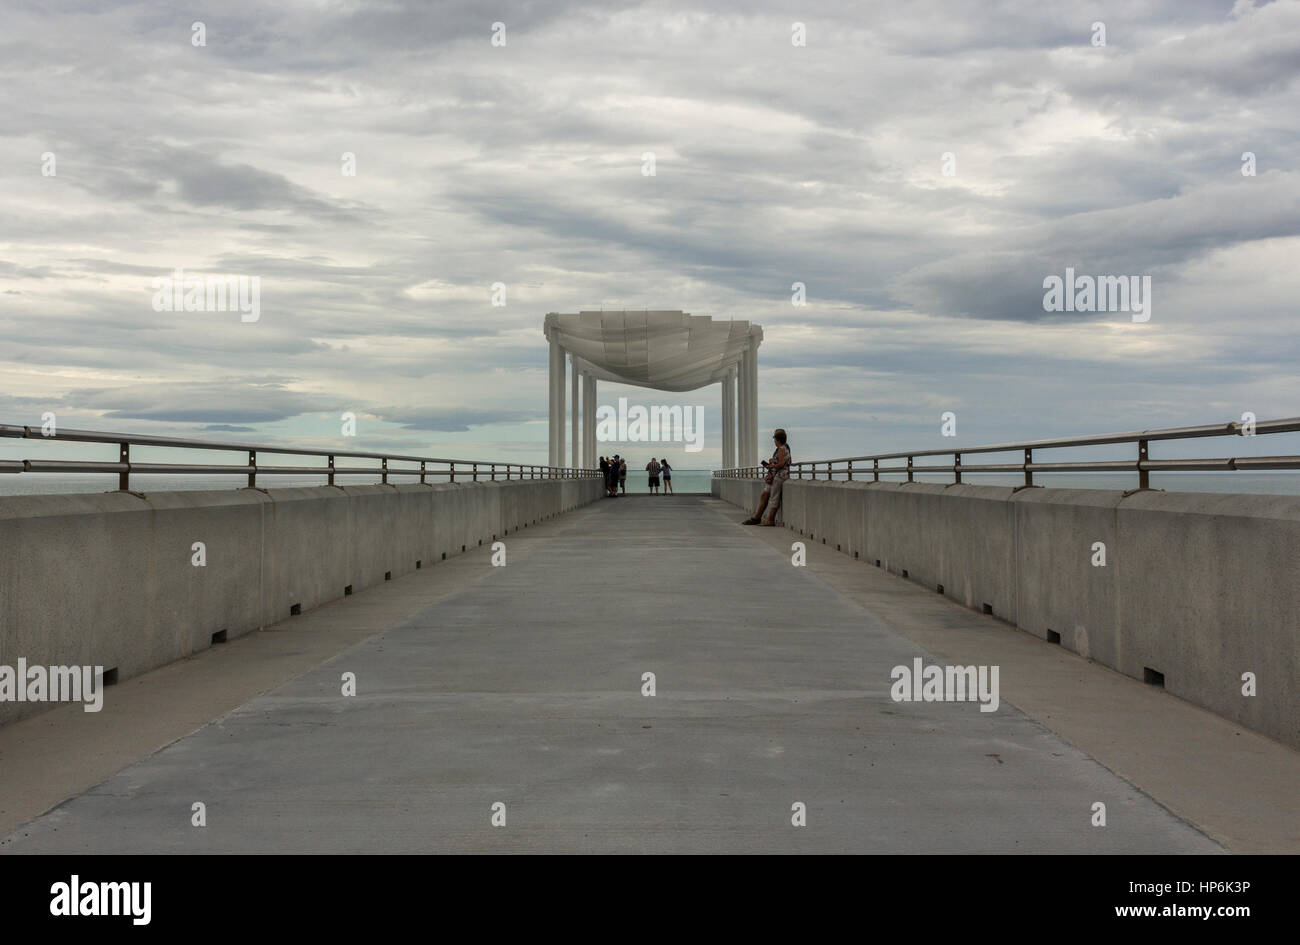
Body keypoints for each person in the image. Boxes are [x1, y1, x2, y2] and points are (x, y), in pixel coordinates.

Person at [743, 429, 791, 526]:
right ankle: (756, 518)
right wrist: (773, 461)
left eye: (774, 438)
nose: (773, 440)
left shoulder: (782, 449)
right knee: (764, 495)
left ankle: (770, 519)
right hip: (774, 475)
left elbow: (781, 464)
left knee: (774, 498)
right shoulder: (781, 449)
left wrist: (771, 466)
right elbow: (782, 461)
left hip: (779, 476)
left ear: (778, 439)